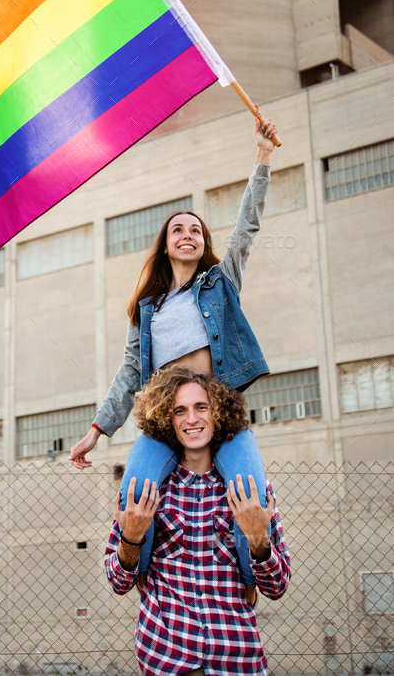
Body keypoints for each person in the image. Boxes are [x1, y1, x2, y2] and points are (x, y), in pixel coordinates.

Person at [71, 109, 278, 597]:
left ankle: (249, 583)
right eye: (177, 230)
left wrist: (263, 158)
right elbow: (128, 373)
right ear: (166, 246)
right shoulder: (149, 309)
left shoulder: (219, 284)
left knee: (250, 492)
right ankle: (142, 576)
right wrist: (98, 429)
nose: (188, 235)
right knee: (135, 494)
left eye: (196, 231)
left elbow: (246, 230)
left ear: (203, 243)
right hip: (166, 415)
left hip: (219, 408)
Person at [105, 365, 290, 676]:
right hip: (167, 659)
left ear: (217, 413)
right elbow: (119, 582)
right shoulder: (148, 489)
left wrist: (258, 538)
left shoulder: (251, 490)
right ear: (167, 419)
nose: (192, 419)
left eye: (201, 407)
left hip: (237, 660)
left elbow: (277, 586)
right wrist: (131, 539)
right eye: (180, 411)